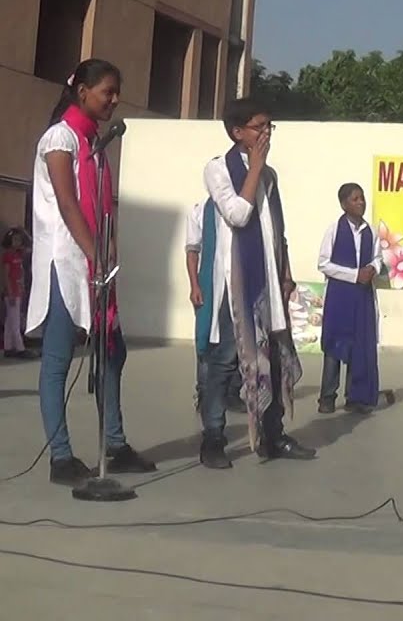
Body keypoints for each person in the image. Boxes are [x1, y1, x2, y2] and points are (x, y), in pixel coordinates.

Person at [27, 59, 155, 485]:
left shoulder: (95, 145)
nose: (114, 100)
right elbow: (68, 204)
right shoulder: (59, 140)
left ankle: (114, 445)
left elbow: (103, 209)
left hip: (95, 266)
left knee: (112, 356)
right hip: (66, 266)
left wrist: (109, 254)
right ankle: (60, 456)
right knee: (58, 363)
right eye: (107, 92)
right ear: (81, 91)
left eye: (116, 92)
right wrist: (93, 257)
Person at [198, 97, 313, 469]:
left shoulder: (270, 175)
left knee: (275, 360)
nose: (266, 134)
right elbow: (238, 214)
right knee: (226, 361)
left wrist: (286, 271)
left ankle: (273, 435)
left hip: (269, 284)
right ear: (237, 132)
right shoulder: (218, 168)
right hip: (238, 285)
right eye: (259, 127)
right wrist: (256, 167)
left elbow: (276, 230)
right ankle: (214, 438)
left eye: (269, 126)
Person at [317, 183, 382, 415]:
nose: (361, 203)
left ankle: (356, 397)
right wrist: (354, 275)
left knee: (360, 345)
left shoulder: (370, 231)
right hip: (340, 296)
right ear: (344, 204)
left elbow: (378, 258)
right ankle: (327, 397)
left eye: (362, 198)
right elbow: (323, 263)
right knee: (335, 345)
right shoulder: (334, 230)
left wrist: (372, 269)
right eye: (355, 199)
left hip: (362, 297)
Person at [186, 200, 243, 413]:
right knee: (206, 339)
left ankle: (232, 392)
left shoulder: (238, 209)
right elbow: (193, 251)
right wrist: (195, 285)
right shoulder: (199, 211)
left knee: (237, 338)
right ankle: (204, 393)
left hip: (236, 284)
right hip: (209, 284)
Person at [3, 228, 36, 359]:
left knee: (10, 321)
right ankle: (20, 348)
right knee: (15, 321)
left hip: (18, 290)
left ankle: (8, 347)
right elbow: (5, 275)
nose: (17, 242)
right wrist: (10, 291)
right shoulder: (8, 256)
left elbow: (29, 247)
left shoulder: (18, 255)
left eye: (19, 240)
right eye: (15, 240)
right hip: (12, 292)